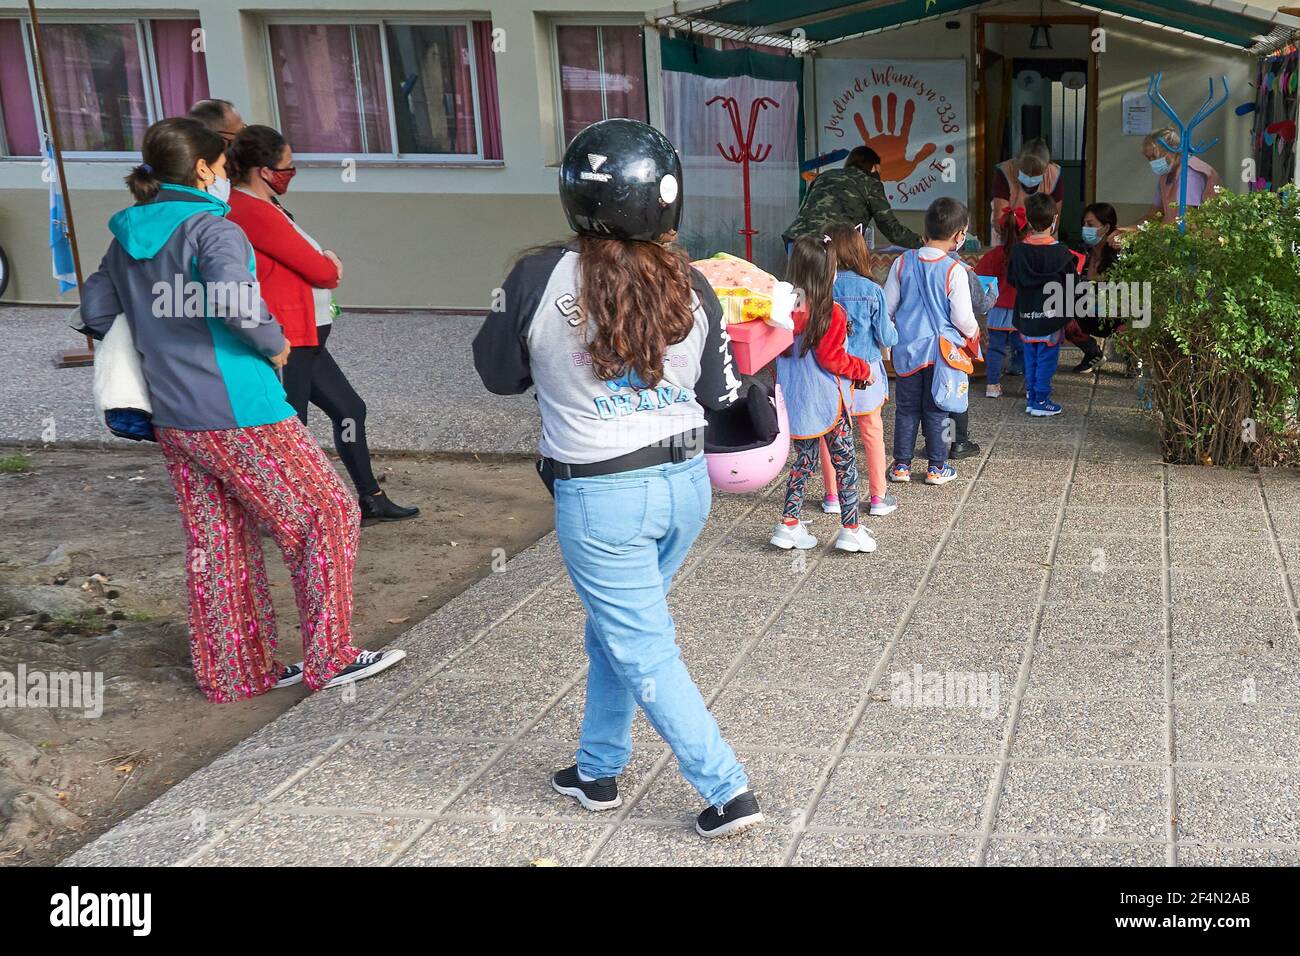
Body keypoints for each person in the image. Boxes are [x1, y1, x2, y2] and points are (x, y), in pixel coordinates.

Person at [471, 118, 764, 839]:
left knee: (641, 643)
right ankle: (596, 768)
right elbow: (722, 393)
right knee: (617, 632)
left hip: (601, 497)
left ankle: (728, 791)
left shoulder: (537, 276)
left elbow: (496, 374)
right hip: (684, 485)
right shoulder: (693, 282)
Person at [72, 117, 405, 701]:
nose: (226, 176)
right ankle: (331, 658)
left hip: (173, 415)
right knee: (327, 514)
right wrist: (276, 344)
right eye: (223, 167)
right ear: (203, 169)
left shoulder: (125, 236)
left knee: (218, 542)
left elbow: (97, 309)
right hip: (241, 406)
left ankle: (235, 673)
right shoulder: (212, 229)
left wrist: (161, 338)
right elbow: (232, 301)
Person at [226, 125, 418, 523]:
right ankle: (286, 510)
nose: (290, 173)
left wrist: (323, 264)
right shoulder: (252, 210)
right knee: (292, 426)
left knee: (349, 409)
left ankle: (371, 497)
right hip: (289, 336)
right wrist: (328, 263)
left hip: (306, 335)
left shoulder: (266, 206)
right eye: (287, 167)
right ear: (263, 170)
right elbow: (319, 270)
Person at [772, 235, 878, 555]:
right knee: (845, 460)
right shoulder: (831, 312)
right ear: (825, 272)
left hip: (795, 399)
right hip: (827, 401)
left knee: (803, 461)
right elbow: (833, 359)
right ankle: (850, 529)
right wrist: (863, 369)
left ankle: (789, 524)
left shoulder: (782, 309)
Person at [885, 197, 979, 486]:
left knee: (906, 409)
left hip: (907, 351)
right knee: (939, 408)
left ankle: (901, 465)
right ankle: (937, 468)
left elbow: (887, 306)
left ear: (925, 231)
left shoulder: (901, 263)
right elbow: (962, 317)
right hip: (942, 355)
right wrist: (974, 333)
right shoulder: (955, 271)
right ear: (958, 236)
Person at [815, 224, 897, 518]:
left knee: (830, 433)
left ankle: (832, 496)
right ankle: (878, 497)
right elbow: (886, 337)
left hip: (831, 374)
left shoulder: (820, 289)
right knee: (872, 431)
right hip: (866, 373)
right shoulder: (872, 290)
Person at [1008, 193, 1084, 417]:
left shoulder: (1018, 251)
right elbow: (1073, 285)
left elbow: (1012, 279)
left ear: (1028, 221)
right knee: (1047, 359)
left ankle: (1032, 397)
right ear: (1055, 220)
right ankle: (1041, 399)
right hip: (1051, 317)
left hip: (1026, 315)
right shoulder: (1063, 253)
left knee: (1030, 356)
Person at [783, 146, 922, 250]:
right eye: (879, 170)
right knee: (827, 289)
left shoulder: (824, 176)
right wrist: (923, 243)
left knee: (798, 289)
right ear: (873, 167)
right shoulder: (871, 183)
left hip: (796, 240)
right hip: (827, 244)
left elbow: (802, 211)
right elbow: (890, 228)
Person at [1110, 128, 1223, 246]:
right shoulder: (1166, 176)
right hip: (1178, 244)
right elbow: (1154, 215)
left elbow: (1186, 222)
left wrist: (1135, 235)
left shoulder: (1190, 174)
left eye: (1155, 156)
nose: (1152, 162)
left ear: (1173, 150)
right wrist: (1127, 230)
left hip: (1200, 247)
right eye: (1149, 158)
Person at [946, 249, 998, 459]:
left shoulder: (913, 263)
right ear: (959, 236)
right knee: (956, 393)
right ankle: (958, 442)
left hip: (924, 342)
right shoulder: (963, 270)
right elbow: (981, 304)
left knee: (935, 396)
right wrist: (993, 292)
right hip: (954, 342)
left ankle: (940, 441)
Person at [976, 206, 1029, 398]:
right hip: (1022, 311)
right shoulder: (1029, 254)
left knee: (996, 349)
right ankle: (1030, 388)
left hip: (997, 310)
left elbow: (979, 280)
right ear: (1026, 231)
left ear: (1000, 231)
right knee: (1024, 347)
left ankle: (992, 385)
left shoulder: (992, 256)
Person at [1062, 202, 1121, 374]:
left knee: (1134, 311)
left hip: (1114, 313)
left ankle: (1132, 359)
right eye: (1084, 224)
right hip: (1087, 310)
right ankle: (1092, 353)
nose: (1085, 228)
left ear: (1106, 227)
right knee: (1059, 310)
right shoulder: (1081, 251)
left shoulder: (1120, 255)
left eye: (1090, 224)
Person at [990, 138, 1062, 242]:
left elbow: (1055, 220)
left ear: (1046, 168)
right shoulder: (1005, 172)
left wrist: (1038, 237)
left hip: (1042, 233)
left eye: (1035, 174)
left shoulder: (1054, 175)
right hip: (1010, 232)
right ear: (1017, 162)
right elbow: (1000, 221)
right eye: (1025, 172)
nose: (1030, 177)